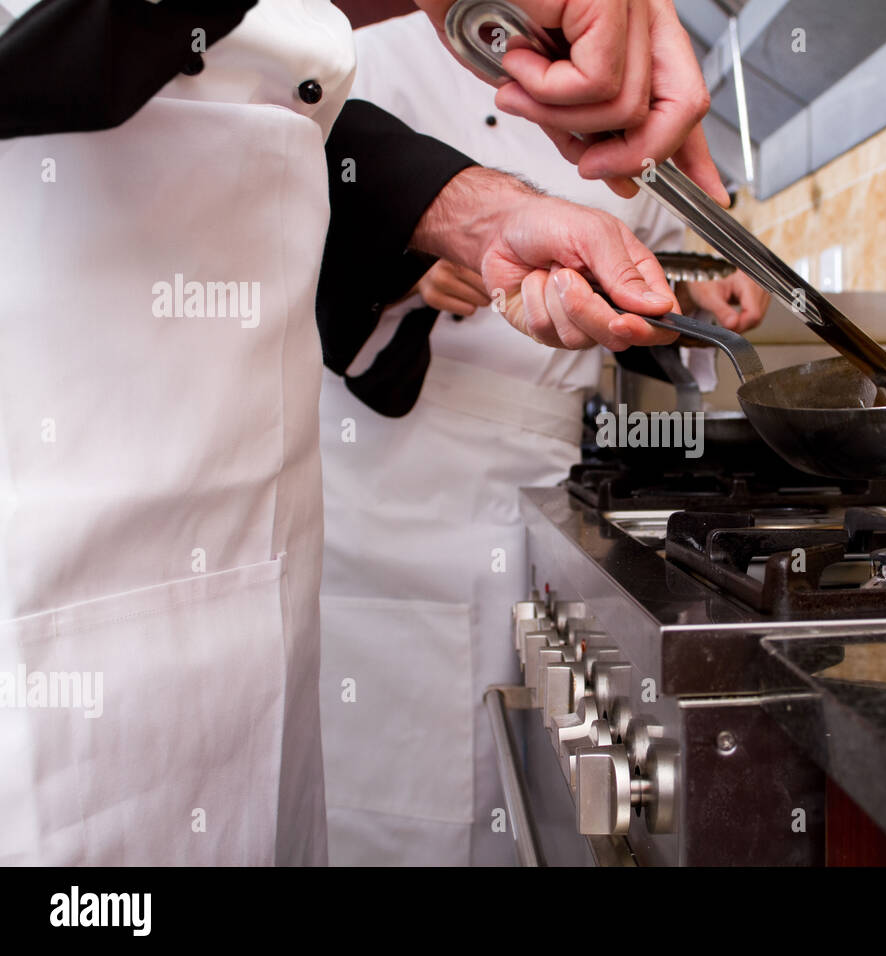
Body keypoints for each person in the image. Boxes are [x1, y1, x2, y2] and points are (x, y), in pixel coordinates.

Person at [0, 0, 726, 865]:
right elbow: (69, 49)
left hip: (265, 516)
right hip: (77, 501)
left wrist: (482, 214)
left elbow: (276, 114)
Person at [316, 10, 770, 867]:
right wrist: (417, 259)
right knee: (393, 796)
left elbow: (659, 233)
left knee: (524, 790)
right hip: (390, 480)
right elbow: (305, 216)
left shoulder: (619, 76)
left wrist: (715, 273)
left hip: (543, 473)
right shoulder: (356, 50)